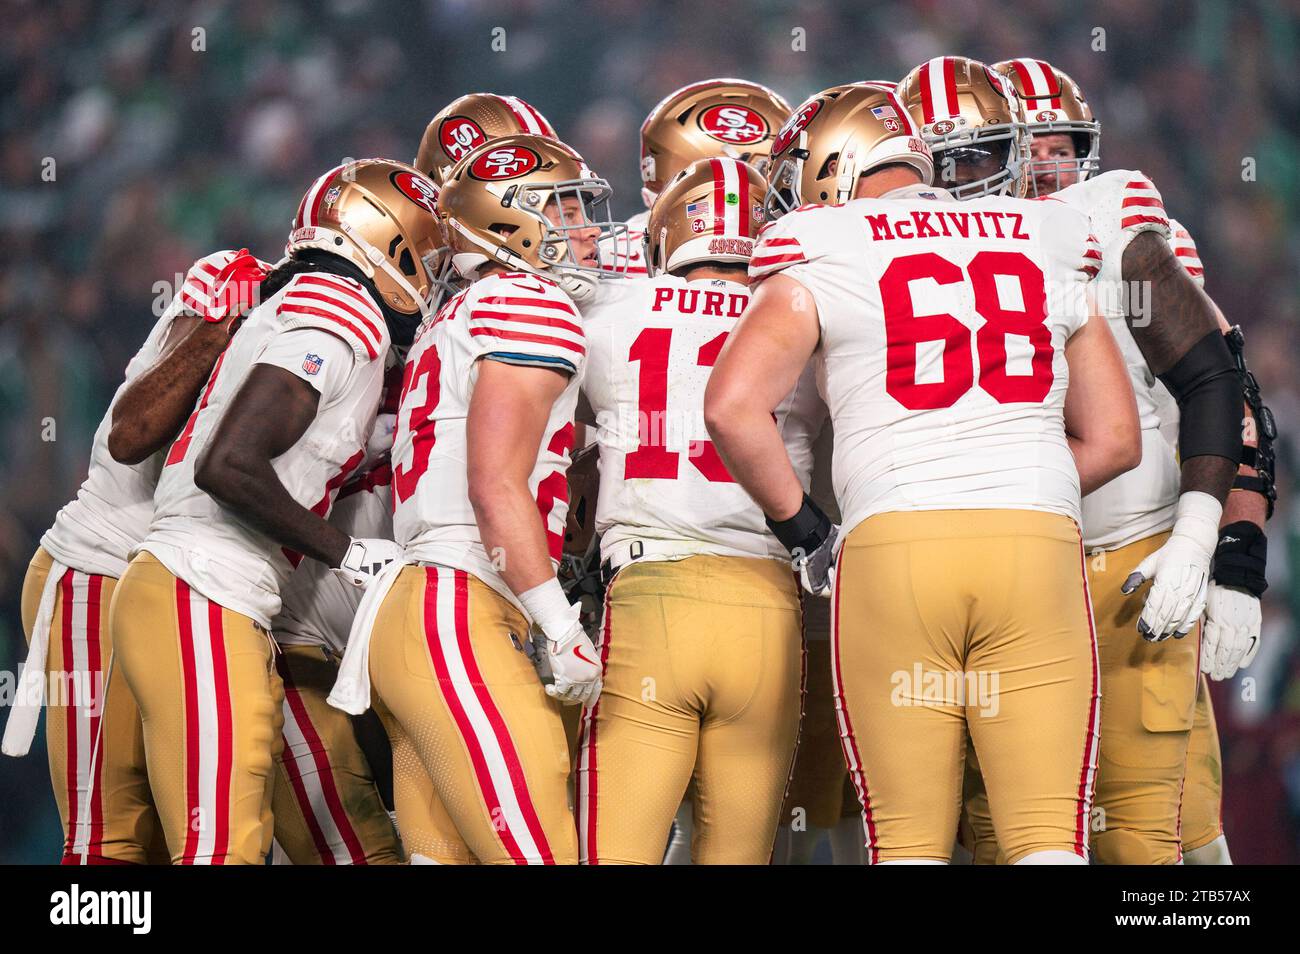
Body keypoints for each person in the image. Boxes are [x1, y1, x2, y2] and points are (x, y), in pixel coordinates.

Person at [705, 76, 1143, 864]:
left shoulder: (820, 243)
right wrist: (1015, 479)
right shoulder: (1043, 230)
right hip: (1035, 543)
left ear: (829, 164)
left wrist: (806, 531)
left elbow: (733, 409)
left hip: (893, 549)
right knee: (1048, 841)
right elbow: (1115, 437)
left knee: (907, 844)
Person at [952, 58, 1270, 865]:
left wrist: (1233, 557)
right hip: (1013, 565)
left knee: (1173, 830)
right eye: (1033, 142)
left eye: (1067, 143)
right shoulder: (942, 239)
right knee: (1002, 825)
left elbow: (1231, 401)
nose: (1054, 162)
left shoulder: (1115, 216)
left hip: (1131, 558)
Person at [109, 158, 443, 864]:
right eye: (430, 253)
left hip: (207, 592)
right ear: (392, 247)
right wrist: (348, 551)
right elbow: (228, 463)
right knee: (220, 850)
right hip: (200, 587)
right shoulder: (341, 312)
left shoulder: (307, 303)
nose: (434, 275)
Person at [330, 135, 623, 864]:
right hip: (460, 608)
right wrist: (559, 625)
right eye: (566, 209)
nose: (587, 230)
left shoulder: (456, 313)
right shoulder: (531, 303)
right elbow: (494, 486)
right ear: (510, 222)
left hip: (420, 609)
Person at [573, 157, 823, 864]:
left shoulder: (610, 310)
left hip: (654, 596)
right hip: (769, 610)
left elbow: (563, 447)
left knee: (615, 852)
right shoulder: (807, 313)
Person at [2, 248, 268, 864]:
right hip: (105, 568)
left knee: (180, 833)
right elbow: (130, 434)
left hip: (195, 592)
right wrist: (218, 333)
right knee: (109, 835)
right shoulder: (237, 283)